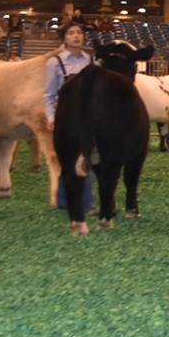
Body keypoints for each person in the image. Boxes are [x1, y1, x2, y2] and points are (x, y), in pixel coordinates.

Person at [45, 21, 97, 213]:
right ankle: (64, 202)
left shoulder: (91, 61)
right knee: (67, 160)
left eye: (79, 32)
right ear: (64, 38)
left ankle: (86, 204)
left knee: (86, 160)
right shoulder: (54, 63)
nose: (76, 36)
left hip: (87, 118)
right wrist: (51, 118)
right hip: (65, 118)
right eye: (71, 33)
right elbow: (49, 94)